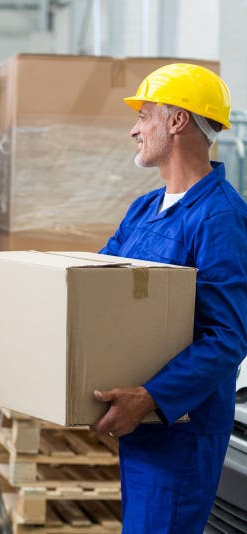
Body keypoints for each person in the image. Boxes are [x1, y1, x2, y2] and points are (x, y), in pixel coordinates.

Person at [91, 63, 247, 533]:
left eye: (145, 115)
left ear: (177, 122)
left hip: (180, 425)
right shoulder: (144, 210)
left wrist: (153, 398)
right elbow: (88, 292)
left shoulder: (220, 217)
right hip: (141, 422)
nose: (133, 128)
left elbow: (227, 336)